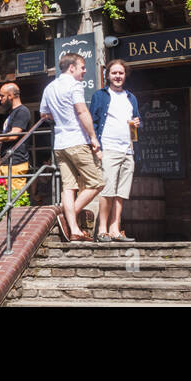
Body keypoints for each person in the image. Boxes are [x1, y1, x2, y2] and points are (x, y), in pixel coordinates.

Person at [39, 51, 103, 242]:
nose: (85, 71)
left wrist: (60, 118)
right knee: (97, 182)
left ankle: (74, 230)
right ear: (72, 67)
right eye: (82, 67)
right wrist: (93, 137)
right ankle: (69, 216)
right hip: (77, 139)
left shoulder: (49, 87)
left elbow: (44, 114)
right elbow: (82, 111)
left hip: (60, 143)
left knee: (69, 187)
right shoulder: (75, 85)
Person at [89, 60, 141, 242]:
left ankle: (115, 229)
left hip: (127, 150)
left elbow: (135, 121)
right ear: (108, 75)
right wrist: (97, 148)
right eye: (114, 73)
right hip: (109, 148)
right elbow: (92, 123)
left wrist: (136, 124)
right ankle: (102, 229)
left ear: (125, 75)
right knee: (108, 190)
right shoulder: (100, 96)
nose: (118, 76)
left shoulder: (131, 97)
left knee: (121, 193)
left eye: (121, 73)